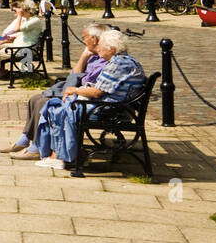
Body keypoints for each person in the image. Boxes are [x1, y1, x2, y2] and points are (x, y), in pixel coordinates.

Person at [35, 29, 146, 170]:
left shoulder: (118, 64)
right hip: (115, 107)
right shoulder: (123, 61)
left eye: (100, 45)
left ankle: (60, 157)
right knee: (59, 105)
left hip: (109, 111)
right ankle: (71, 154)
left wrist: (75, 90)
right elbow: (101, 88)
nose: (98, 48)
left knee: (58, 109)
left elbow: (97, 92)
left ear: (111, 49)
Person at [2, 24, 108, 159]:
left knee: (43, 102)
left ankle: (36, 148)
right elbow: (73, 75)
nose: (83, 40)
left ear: (93, 39)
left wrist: (74, 86)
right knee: (35, 98)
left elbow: (77, 81)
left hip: (81, 96)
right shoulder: (93, 55)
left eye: (84, 37)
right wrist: (84, 55)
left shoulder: (103, 59)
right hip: (75, 91)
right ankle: (24, 140)